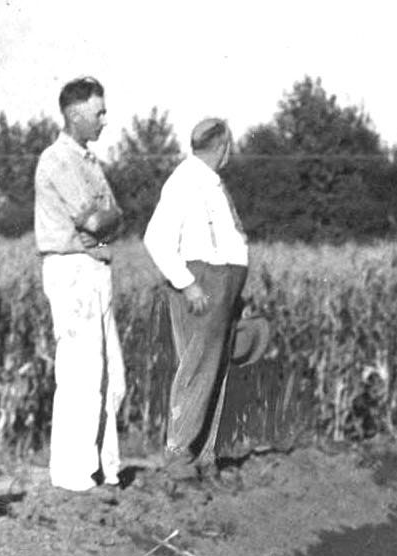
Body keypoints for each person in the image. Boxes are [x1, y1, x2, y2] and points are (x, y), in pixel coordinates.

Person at [142, 117, 250, 483]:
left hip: (223, 283)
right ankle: (178, 453)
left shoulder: (210, 183)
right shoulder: (185, 181)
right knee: (198, 366)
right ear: (223, 146)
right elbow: (156, 239)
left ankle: (204, 456)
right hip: (203, 282)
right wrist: (188, 284)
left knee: (216, 369)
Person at [33, 77, 127, 493]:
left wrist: (103, 222)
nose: (105, 120)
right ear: (74, 114)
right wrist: (102, 222)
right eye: (98, 112)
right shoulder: (57, 160)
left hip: (95, 266)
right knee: (82, 376)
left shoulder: (89, 162)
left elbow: (114, 218)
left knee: (112, 378)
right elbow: (94, 220)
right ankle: (73, 478)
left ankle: (104, 470)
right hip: (71, 268)